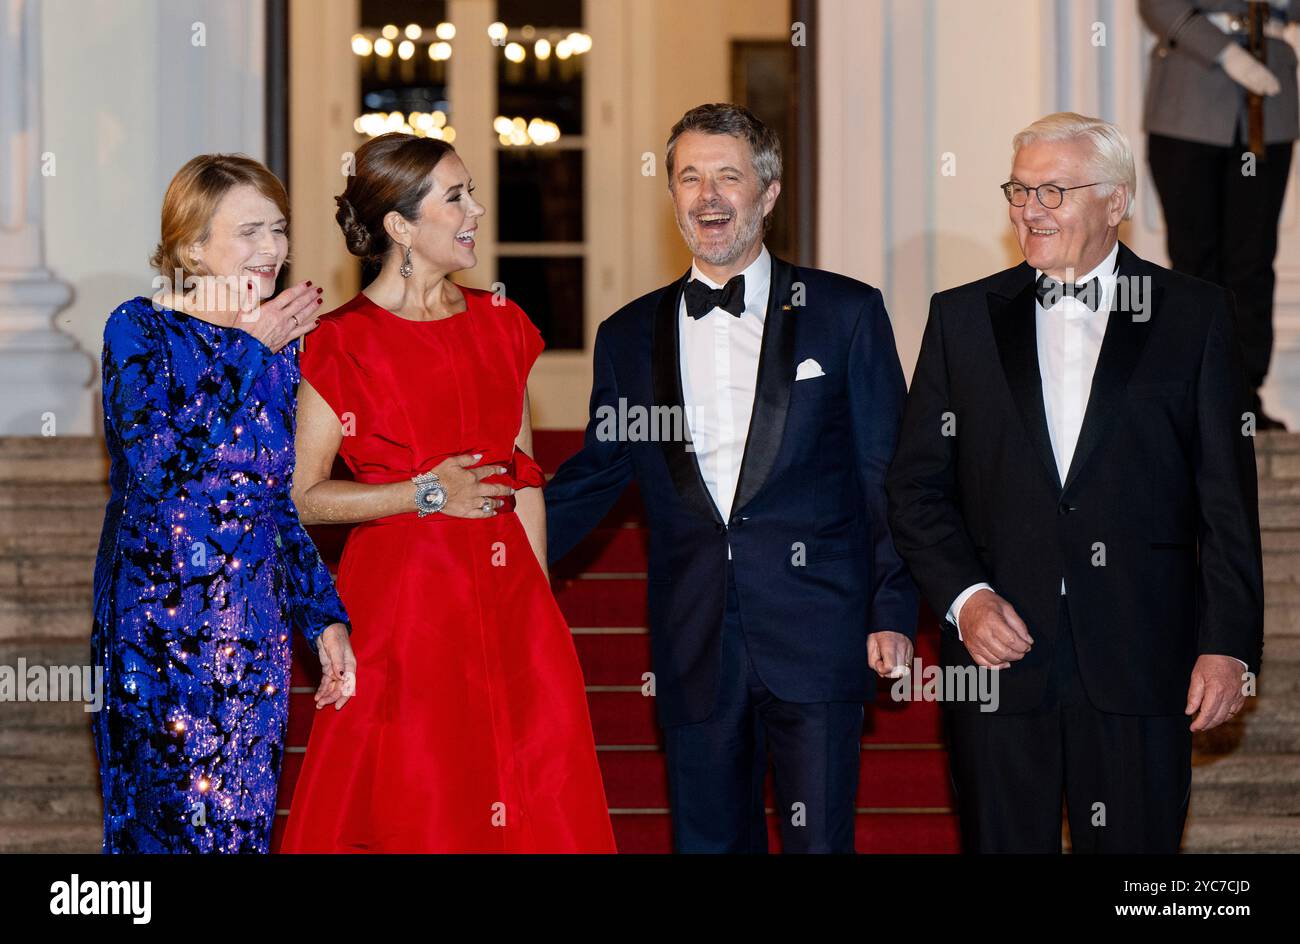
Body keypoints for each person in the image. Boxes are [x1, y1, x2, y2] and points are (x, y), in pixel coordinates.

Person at [886, 113, 1264, 853]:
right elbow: (915, 487)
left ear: (1115, 201)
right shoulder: (960, 318)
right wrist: (965, 599)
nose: (1031, 210)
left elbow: (1226, 502)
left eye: (1054, 192)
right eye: (1019, 190)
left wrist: (1229, 645)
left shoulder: (1193, 314)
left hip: (1143, 659)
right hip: (998, 662)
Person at [545, 103, 918, 854]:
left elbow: (887, 473)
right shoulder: (626, 334)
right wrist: (488, 550)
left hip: (819, 629)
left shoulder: (845, 314)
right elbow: (596, 475)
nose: (707, 197)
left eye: (728, 177)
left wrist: (892, 608)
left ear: (769, 192)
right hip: (695, 639)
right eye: (689, 178)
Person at [279, 132, 615, 853]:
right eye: (456, 197)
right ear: (400, 226)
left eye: (471, 193)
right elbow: (305, 495)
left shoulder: (502, 324)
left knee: (529, 791)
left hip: (511, 601)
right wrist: (423, 494)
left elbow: (522, 477)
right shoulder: (339, 343)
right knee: (425, 793)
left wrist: (541, 602)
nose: (477, 210)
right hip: (404, 605)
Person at [93, 154, 354, 853]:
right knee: (168, 830)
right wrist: (248, 347)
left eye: (278, 228)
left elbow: (273, 503)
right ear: (191, 248)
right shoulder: (138, 328)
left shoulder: (277, 352)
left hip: (252, 635)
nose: (271, 248)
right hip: (157, 633)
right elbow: (158, 466)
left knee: (239, 830)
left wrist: (322, 617)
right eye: (249, 231)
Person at [1141, 0, 1299, 428]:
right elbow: (1157, 6)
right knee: (1194, 262)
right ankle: (1193, 393)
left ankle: (1244, 395)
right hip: (1190, 96)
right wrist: (1225, 53)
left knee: (1253, 260)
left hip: (1269, 101)